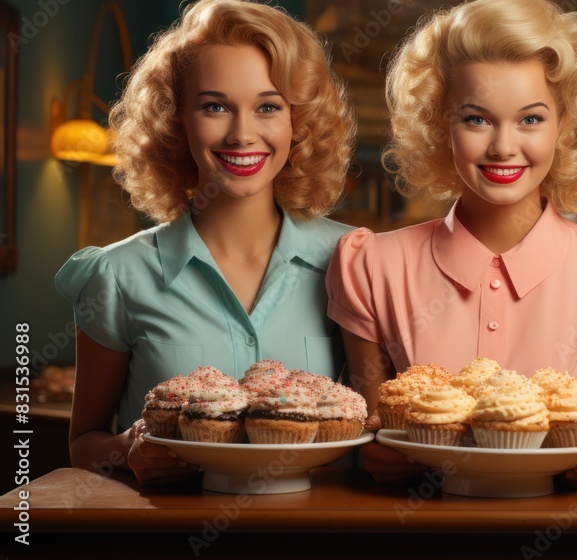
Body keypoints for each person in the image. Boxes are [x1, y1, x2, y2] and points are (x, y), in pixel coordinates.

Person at [326, 0, 577, 487]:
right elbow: (379, 440)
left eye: (530, 120)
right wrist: (380, 454)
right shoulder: (371, 266)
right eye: (476, 119)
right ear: (438, 123)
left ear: (566, 125)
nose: (503, 147)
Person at [54, 0, 356, 486]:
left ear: (298, 121)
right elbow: (84, 444)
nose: (242, 134)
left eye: (268, 107)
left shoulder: (353, 261)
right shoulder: (116, 276)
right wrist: (126, 450)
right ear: (176, 121)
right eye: (215, 106)